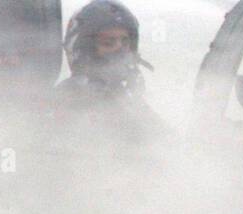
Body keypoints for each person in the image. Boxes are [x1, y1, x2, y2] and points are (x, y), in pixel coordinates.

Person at [53, 0, 168, 146]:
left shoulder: (129, 99)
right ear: (84, 49)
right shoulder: (62, 102)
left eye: (125, 43)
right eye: (108, 43)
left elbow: (169, 144)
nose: (120, 51)